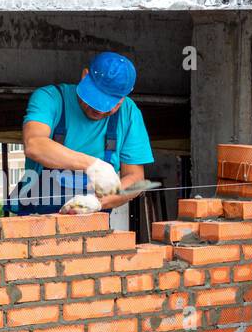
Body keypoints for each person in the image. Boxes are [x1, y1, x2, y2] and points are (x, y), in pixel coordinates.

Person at [8, 51, 154, 216]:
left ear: (123, 97)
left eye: (109, 104)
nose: (99, 110)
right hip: (36, 221)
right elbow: (35, 145)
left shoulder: (129, 114)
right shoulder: (50, 98)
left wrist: (97, 202)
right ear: (85, 76)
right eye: (95, 99)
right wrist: (92, 166)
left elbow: (135, 178)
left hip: (91, 225)